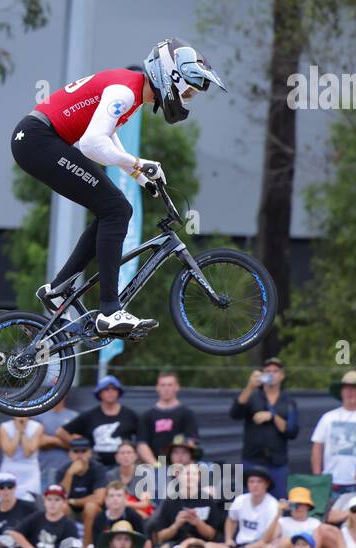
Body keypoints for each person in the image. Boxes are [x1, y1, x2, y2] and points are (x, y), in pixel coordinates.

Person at [12, 39, 226, 335]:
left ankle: (59, 290)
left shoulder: (132, 92)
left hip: (38, 140)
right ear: (170, 77)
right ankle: (109, 311)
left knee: (112, 209)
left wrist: (140, 173)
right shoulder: (125, 92)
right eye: (188, 91)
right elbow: (91, 144)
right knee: (116, 209)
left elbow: (109, 142)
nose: (187, 99)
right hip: (38, 140)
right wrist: (138, 163)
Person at [230, 357, 298, 498]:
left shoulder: (289, 401)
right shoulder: (253, 396)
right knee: (247, 501)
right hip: (252, 460)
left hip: (277, 463)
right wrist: (250, 386)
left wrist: (272, 416)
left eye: (275, 371)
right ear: (262, 374)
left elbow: (292, 431)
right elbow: (234, 413)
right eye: (268, 371)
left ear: (282, 375)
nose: (272, 374)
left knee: (279, 503)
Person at [148, 463, 225, 548]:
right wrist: (176, 525)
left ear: (199, 478)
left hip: (200, 544)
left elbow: (213, 535)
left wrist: (197, 522)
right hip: (174, 542)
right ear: (179, 477)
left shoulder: (208, 501)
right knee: (166, 547)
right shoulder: (169, 501)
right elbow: (160, 537)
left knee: (188, 545)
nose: (190, 477)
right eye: (187, 474)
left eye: (194, 474)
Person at [205, 467, 279, 548]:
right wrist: (228, 539)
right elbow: (231, 520)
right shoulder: (240, 499)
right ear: (247, 484)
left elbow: (267, 540)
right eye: (251, 481)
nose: (255, 485)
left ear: (266, 484)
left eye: (259, 482)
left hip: (258, 547)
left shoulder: (273, 505)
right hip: (239, 545)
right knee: (208, 546)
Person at [58, 374, 138, 468]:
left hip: (123, 467)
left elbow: (142, 439)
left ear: (119, 392)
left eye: (114, 389)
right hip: (95, 467)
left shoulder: (130, 415)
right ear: (99, 393)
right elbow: (61, 432)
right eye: (106, 389)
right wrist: (80, 446)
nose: (110, 392)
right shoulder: (89, 416)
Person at [138, 371, 199, 465]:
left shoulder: (187, 413)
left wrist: (181, 463)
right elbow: (142, 444)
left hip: (180, 466)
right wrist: (156, 465)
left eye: (170, 385)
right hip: (155, 466)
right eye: (163, 385)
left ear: (177, 387)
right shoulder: (147, 415)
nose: (166, 388)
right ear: (157, 387)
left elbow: (191, 442)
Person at [9, 485, 80, 548]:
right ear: (44, 501)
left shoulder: (69, 524)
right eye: (49, 499)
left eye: (57, 500)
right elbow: (15, 533)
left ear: (64, 502)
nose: (52, 503)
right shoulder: (37, 516)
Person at [89, 480, 150, 548]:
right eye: (112, 496)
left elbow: (146, 544)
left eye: (119, 495)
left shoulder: (133, 515)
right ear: (106, 499)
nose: (115, 499)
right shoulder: (100, 518)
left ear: (126, 498)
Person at [58, 437, 108, 537]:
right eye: (76, 451)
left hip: (91, 510)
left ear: (90, 453)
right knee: (61, 507)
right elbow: (60, 498)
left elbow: (99, 499)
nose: (80, 455)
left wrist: (73, 501)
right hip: (70, 510)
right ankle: (65, 545)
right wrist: (70, 474)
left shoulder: (98, 469)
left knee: (91, 507)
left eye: (84, 451)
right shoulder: (63, 470)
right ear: (70, 454)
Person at [0, 414, 43, 501]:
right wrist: (18, 430)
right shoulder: (4, 427)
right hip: (9, 469)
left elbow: (28, 452)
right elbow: (9, 452)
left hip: (29, 471)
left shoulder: (37, 427)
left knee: (30, 503)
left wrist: (23, 431)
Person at [33, 393, 74, 488]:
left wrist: (50, 440)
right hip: (43, 471)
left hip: (68, 472)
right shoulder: (39, 416)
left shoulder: (74, 416)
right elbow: (39, 442)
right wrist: (61, 440)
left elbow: (77, 444)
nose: (57, 394)